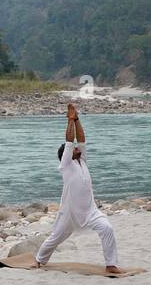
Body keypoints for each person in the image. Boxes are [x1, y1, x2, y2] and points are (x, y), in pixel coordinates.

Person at [34, 103, 121, 273]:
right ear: (66, 155)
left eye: (76, 148)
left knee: (107, 228)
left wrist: (77, 119)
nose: (77, 148)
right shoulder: (66, 164)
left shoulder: (82, 161)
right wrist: (69, 121)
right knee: (55, 238)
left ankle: (111, 264)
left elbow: (81, 139)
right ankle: (39, 260)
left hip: (90, 212)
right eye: (73, 149)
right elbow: (69, 140)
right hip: (69, 213)